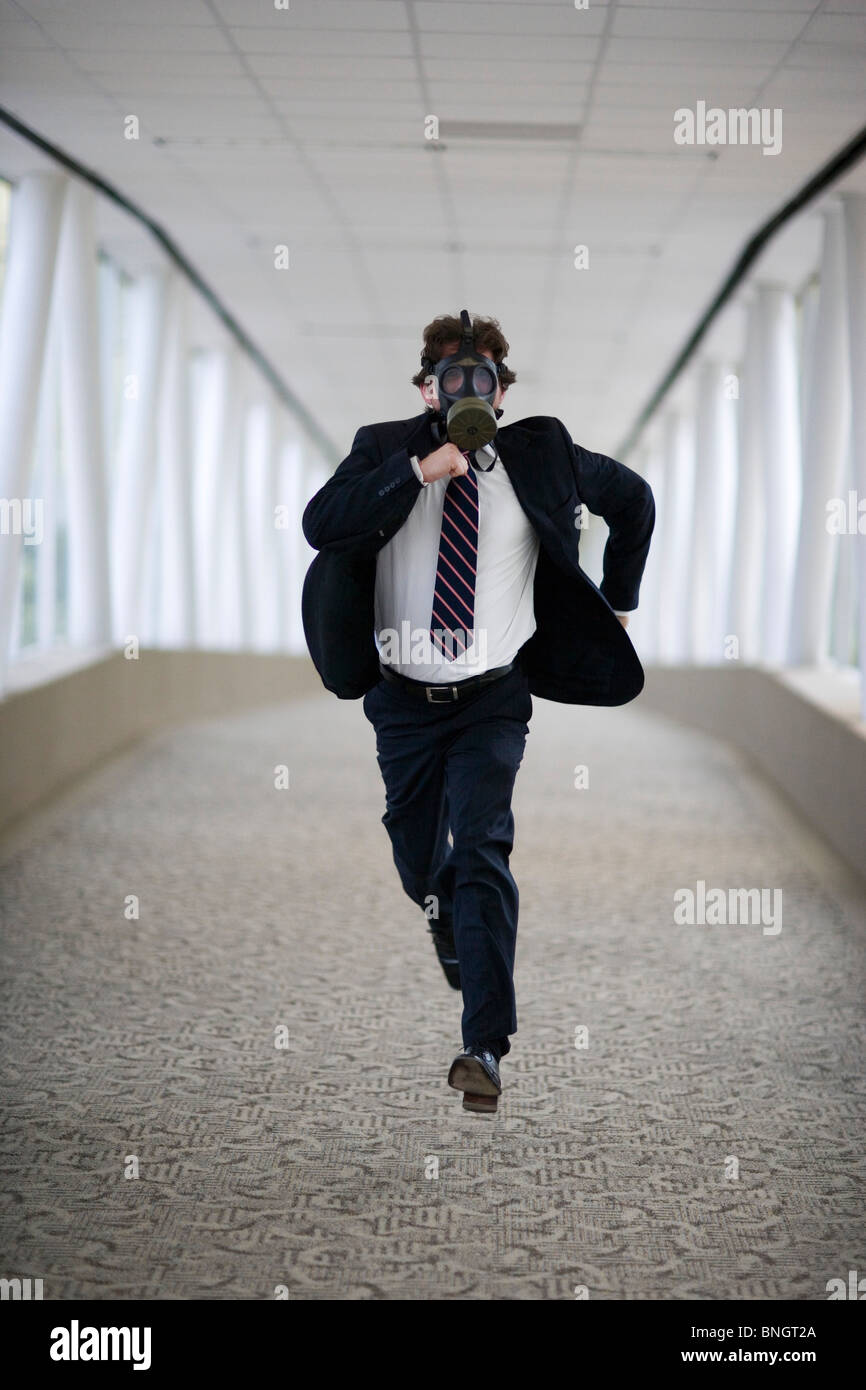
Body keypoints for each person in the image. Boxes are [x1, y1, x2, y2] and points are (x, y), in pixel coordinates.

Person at [302, 312, 655, 1115]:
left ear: (503, 390)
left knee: (486, 848)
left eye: (485, 376)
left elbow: (634, 502)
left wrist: (621, 603)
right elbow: (322, 525)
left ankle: (483, 1046)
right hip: (402, 702)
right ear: (427, 387)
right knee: (421, 861)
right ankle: (444, 915)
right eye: (451, 375)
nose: (468, 387)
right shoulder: (383, 447)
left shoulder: (543, 453)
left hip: (494, 697)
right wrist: (418, 472)